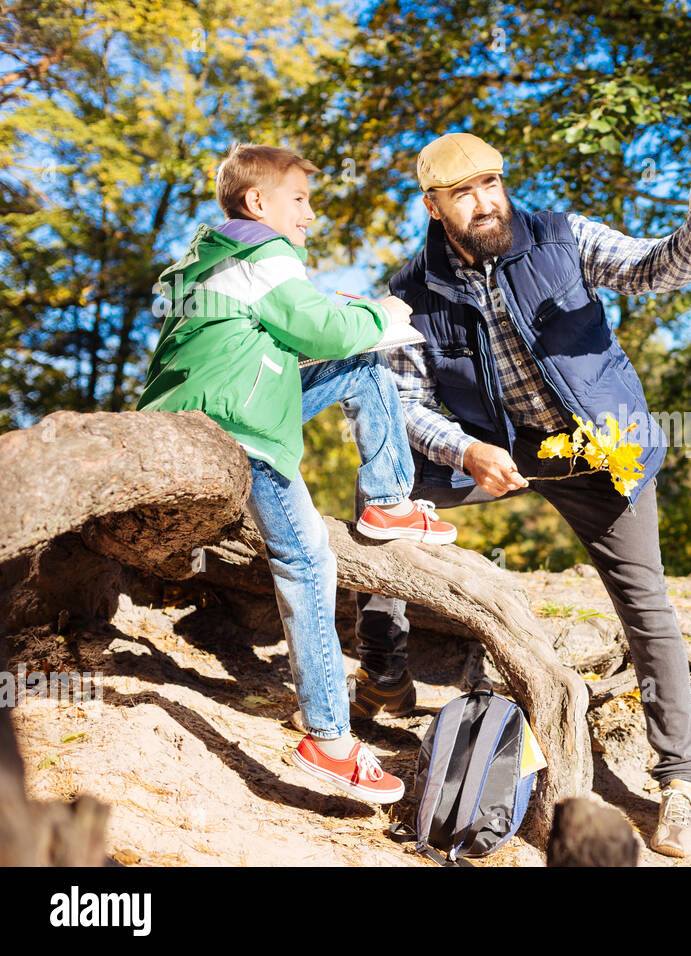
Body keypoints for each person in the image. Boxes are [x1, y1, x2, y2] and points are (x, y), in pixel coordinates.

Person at [352, 132, 691, 856]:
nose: (485, 202)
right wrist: (465, 450)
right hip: (494, 450)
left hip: (599, 449)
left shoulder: (563, 237)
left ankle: (680, 781)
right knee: (385, 495)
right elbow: (402, 402)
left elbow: (653, 269)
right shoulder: (410, 293)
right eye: (464, 192)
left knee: (647, 606)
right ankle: (384, 674)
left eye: (492, 183)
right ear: (433, 206)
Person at [137, 143, 458, 805]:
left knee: (364, 371)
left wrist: (343, 322)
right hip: (236, 430)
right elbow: (317, 331)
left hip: (195, 416)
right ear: (259, 204)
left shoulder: (201, 260)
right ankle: (329, 738)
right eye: (300, 200)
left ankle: (388, 500)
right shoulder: (265, 252)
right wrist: (381, 315)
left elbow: (250, 338)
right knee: (309, 559)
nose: (310, 215)